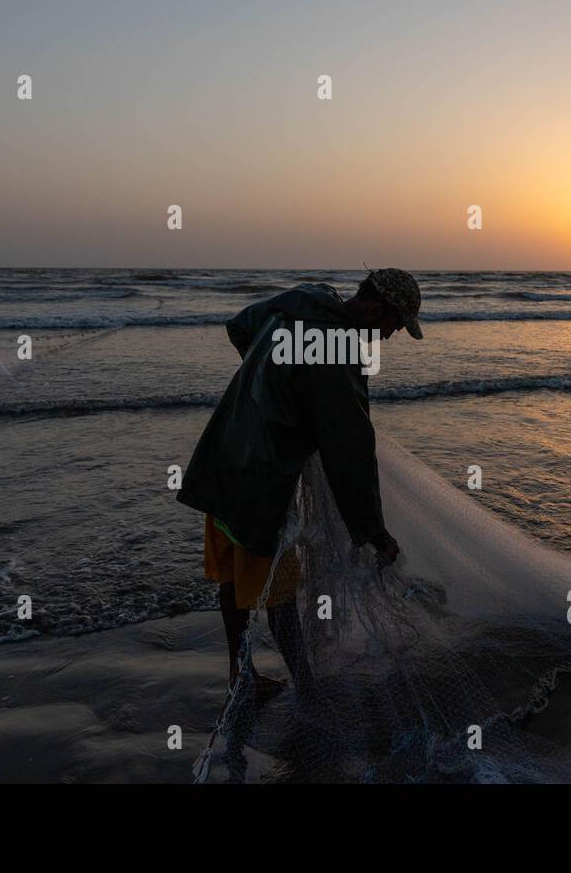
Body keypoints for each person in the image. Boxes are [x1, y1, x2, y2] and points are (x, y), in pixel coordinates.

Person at [177, 268, 423, 697]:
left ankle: (241, 676)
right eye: (394, 324)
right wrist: (372, 531)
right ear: (373, 308)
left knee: (234, 579)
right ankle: (305, 686)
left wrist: (272, 386)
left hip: (223, 452)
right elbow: (350, 450)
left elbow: (240, 326)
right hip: (259, 479)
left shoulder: (307, 299)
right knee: (280, 585)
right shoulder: (336, 351)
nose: (391, 336)